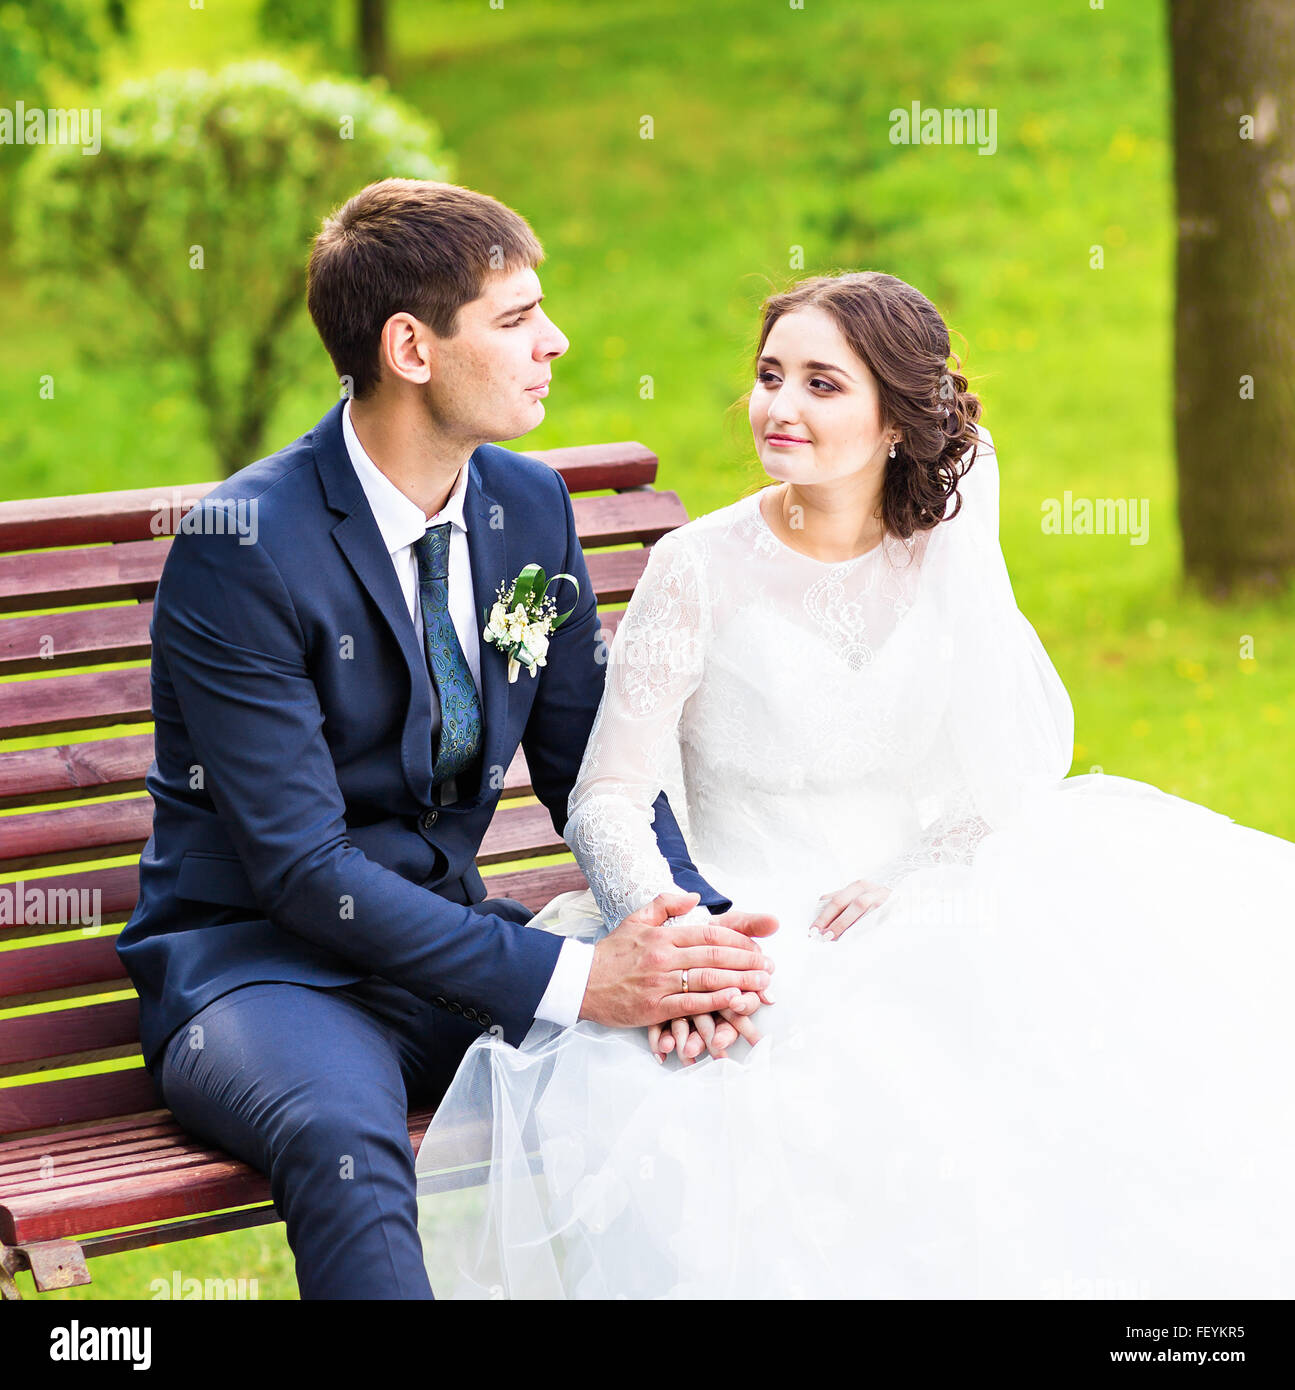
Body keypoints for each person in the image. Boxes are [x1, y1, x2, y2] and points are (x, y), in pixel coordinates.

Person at [414, 270, 1295, 1300]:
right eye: (768, 376)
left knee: (1086, 1032)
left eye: (821, 384)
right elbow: (607, 793)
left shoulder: (940, 554)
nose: (778, 406)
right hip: (745, 919)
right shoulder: (697, 568)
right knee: (827, 1091)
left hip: (908, 899)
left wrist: (915, 874)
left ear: (895, 421)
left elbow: (1000, 775)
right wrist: (677, 943)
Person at [115, 178, 777, 1300]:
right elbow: (301, 871)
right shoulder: (243, 548)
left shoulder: (528, 506)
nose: (554, 341)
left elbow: (595, 772)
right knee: (343, 1140)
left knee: (711, 1052)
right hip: (265, 975)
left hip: (445, 956)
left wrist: (685, 934)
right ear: (410, 348)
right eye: (516, 319)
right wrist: (580, 978)